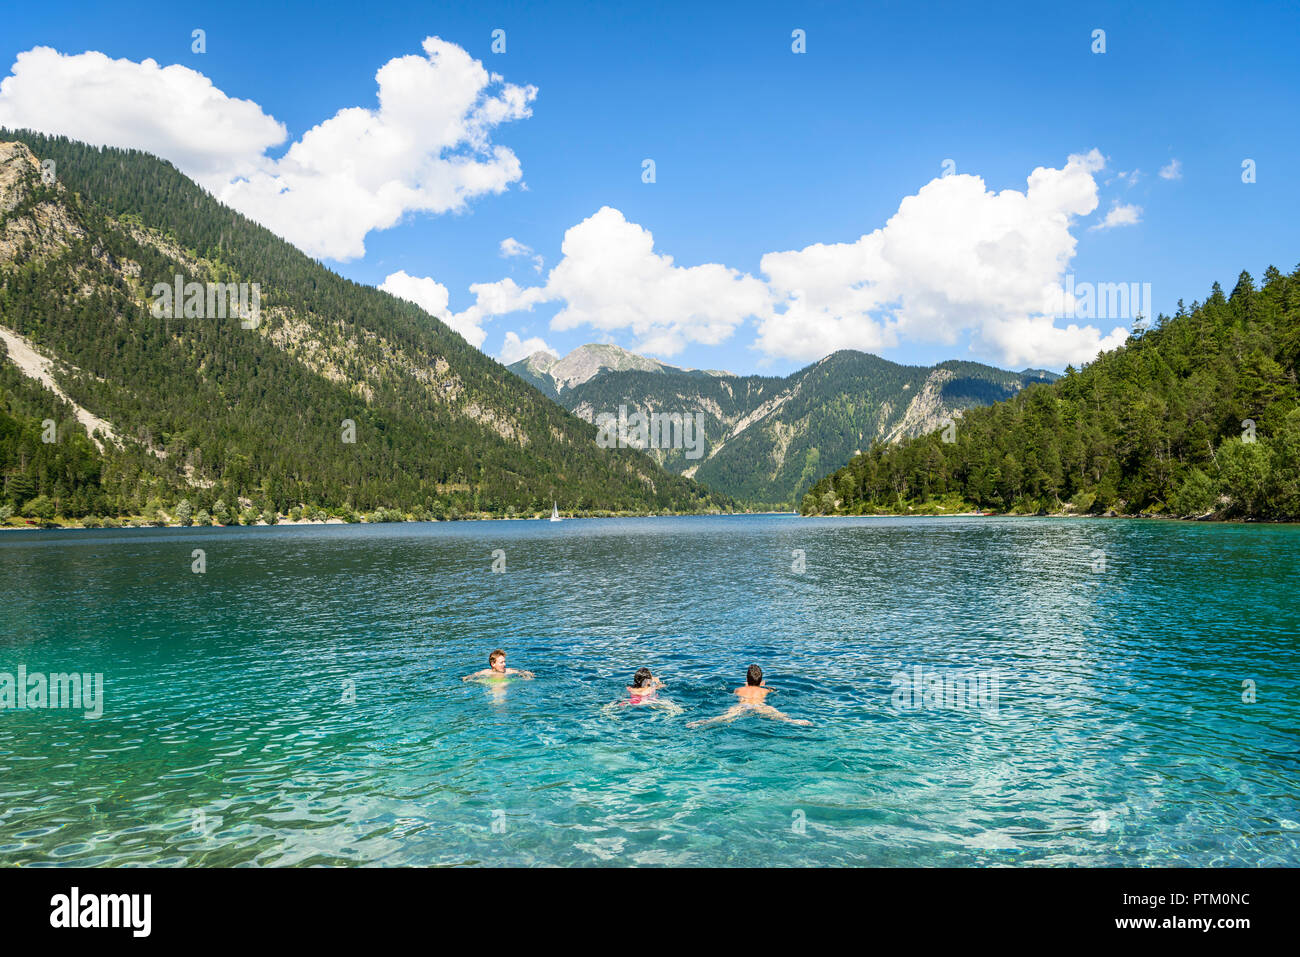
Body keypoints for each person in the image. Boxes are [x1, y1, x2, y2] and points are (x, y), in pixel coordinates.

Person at [687, 664, 811, 728]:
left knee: (724, 717)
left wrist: (746, 687)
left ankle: (702, 723)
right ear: (762, 681)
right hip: (759, 705)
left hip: (742, 706)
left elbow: (736, 694)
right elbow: (773, 690)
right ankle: (794, 721)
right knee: (779, 716)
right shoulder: (765, 690)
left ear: (746, 679)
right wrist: (766, 687)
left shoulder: (738, 690)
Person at [602, 667, 682, 715]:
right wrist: (658, 681)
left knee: (613, 705)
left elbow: (624, 695)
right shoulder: (651, 688)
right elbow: (664, 685)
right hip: (648, 702)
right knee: (672, 706)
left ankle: (606, 710)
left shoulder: (629, 688)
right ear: (647, 681)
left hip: (632, 702)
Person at [462, 648, 534, 681]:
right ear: (493, 664)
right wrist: (466, 678)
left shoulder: (508, 671)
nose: (504, 664)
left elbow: (521, 672)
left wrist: (528, 674)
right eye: (501, 662)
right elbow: (474, 675)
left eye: (504, 662)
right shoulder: (486, 672)